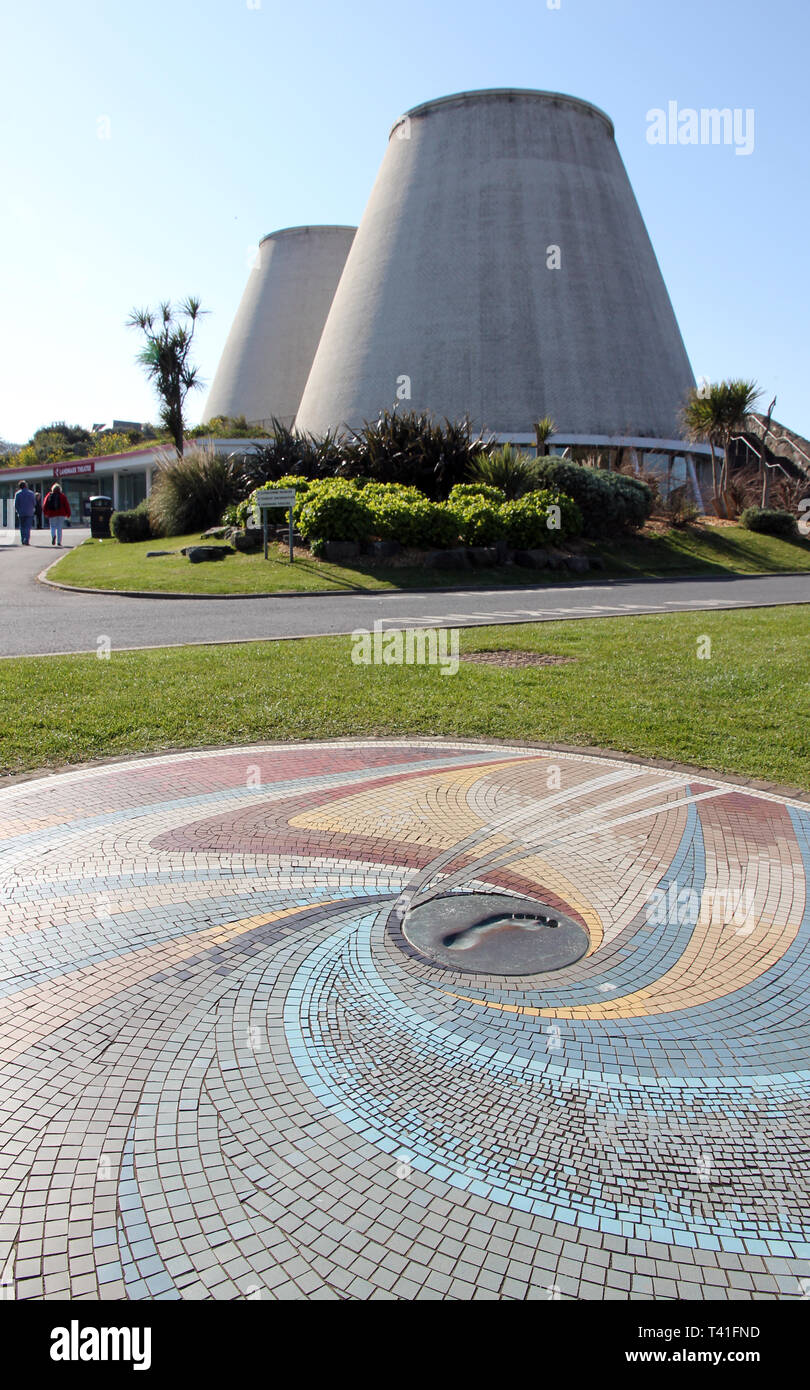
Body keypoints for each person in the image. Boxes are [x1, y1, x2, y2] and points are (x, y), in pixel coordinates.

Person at [13, 481, 37, 545]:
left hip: (21, 513)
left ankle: (23, 539)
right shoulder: (31, 493)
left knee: (22, 527)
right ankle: (26, 539)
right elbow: (34, 503)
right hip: (29, 512)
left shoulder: (18, 494)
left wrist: (18, 510)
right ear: (26, 486)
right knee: (28, 527)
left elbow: (15, 504)